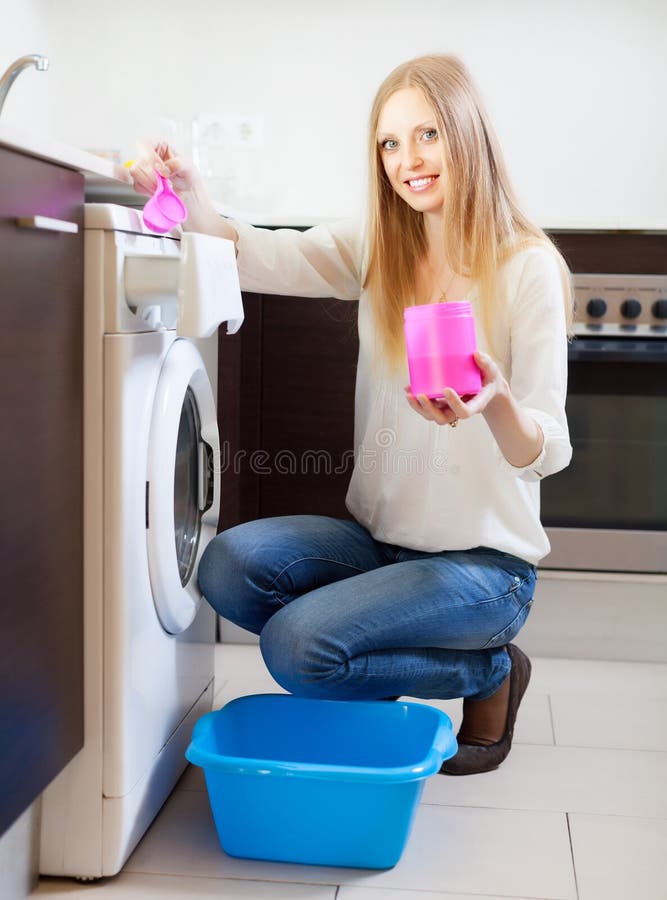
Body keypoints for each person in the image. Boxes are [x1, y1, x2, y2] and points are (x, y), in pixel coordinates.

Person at [131, 54, 573, 775]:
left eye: (427, 134)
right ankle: (404, 644)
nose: (408, 160)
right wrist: (192, 193)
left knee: (300, 650)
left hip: (485, 567)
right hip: (383, 541)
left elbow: (548, 449)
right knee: (227, 566)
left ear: (467, 135)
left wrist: (495, 405)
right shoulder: (382, 247)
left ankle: (487, 672)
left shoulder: (522, 266)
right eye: (390, 144)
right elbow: (261, 257)